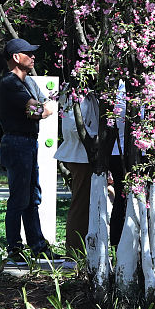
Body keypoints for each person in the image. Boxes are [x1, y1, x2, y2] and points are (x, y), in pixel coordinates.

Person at [0, 37, 57, 261]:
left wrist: (42, 108)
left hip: (28, 142)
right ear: (16, 57)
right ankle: (14, 248)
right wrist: (43, 109)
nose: (33, 56)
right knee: (19, 198)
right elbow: (37, 110)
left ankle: (38, 246)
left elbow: (41, 105)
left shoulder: (26, 81)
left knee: (31, 197)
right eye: (28, 53)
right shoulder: (10, 83)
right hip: (17, 142)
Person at [52, 94, 100, 257]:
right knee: (81, 204)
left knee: (85, 203)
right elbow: (74, 126)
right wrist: (95, 141)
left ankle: (81, 249)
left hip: (83, 153)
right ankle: (75, 252)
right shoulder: (77, 92)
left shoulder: (86, 93)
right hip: (80, 154)